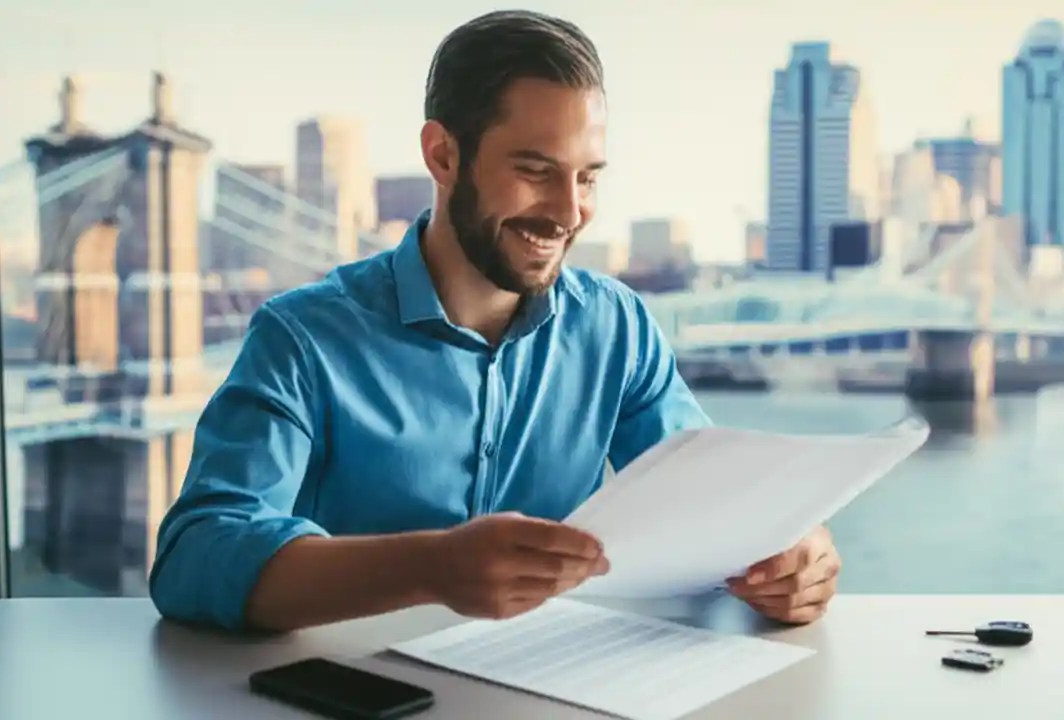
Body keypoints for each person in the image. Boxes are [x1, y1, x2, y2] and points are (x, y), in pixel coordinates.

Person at [150, 9, 841, 633]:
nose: (570, 213)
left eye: (589, 177)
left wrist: (786, 552)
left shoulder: (618, 329)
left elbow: (714, 506)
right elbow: (195, 556)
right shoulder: (302, 339)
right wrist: (430, 568)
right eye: (536, 171)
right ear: (443, 155)